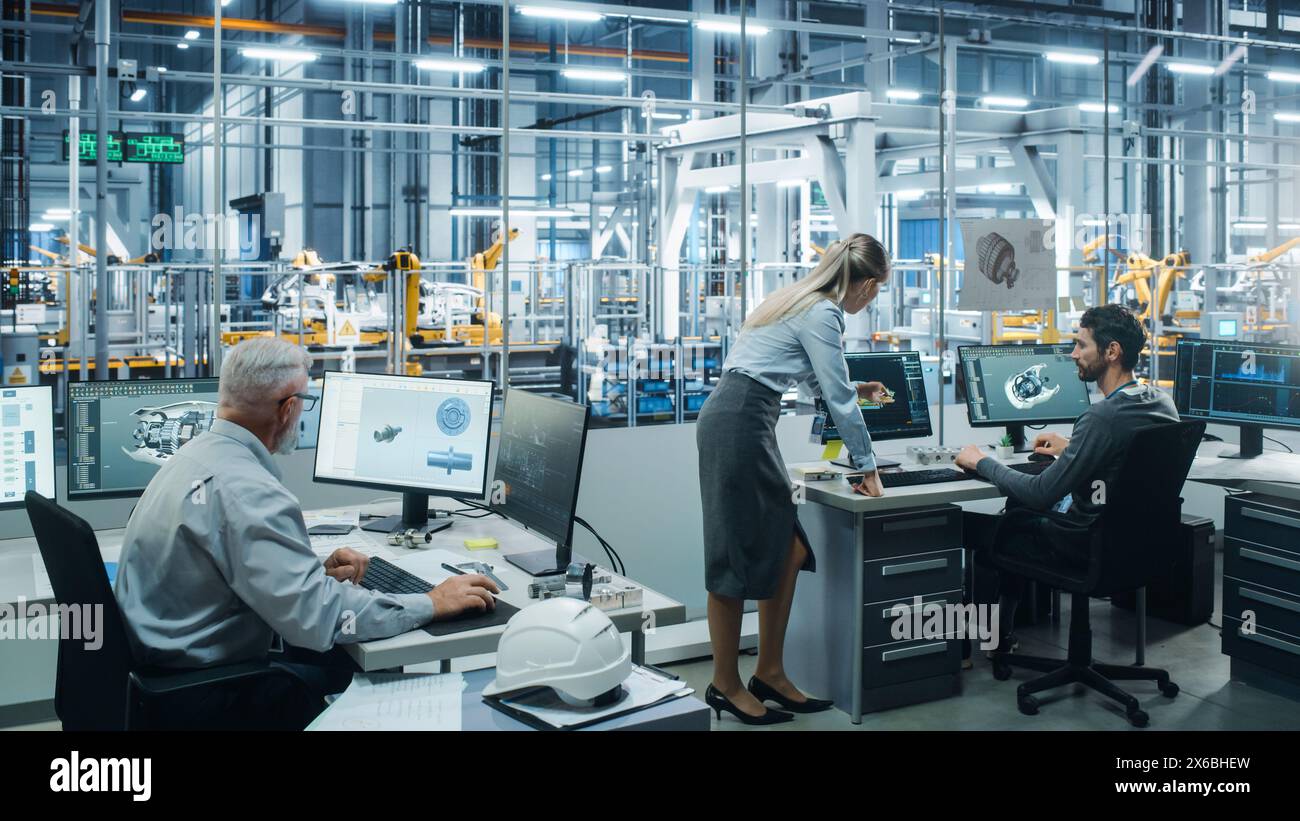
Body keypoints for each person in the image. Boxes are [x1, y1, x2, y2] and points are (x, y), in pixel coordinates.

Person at [114, 337, 499, 729]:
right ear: (287, 408)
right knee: (377, 683)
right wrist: (432, 602)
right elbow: (322, 620)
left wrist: (307, 569)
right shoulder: (250, 491)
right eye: (305, 402)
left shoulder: (195, 458)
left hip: (161, 680)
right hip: (209, 696)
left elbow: (227, 558)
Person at [696, 233, 892, 724]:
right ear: (866, 284)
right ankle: (724, 682)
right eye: (876, 290)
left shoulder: (797, 298)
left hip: (742, 417)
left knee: (790, 548)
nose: (872, 300)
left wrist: (856, 387)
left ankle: (771, 672)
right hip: (740, 421)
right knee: (734, 552)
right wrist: (867, 466)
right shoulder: (823, 311)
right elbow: (835, 398)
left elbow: (809, 380)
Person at [953, 304, 1179, 652]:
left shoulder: (1100, 418)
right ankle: (1000, 639)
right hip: (1136, 546)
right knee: (1016, 512)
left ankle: (990, 643)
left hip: (1082, 543)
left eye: (1081, 345)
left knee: (997, 527)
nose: (1073, 354)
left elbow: (1041, 493)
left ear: (1112, 352)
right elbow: (1124, 456)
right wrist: (1073, 447)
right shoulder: (1161, 404)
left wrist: (981, 461)